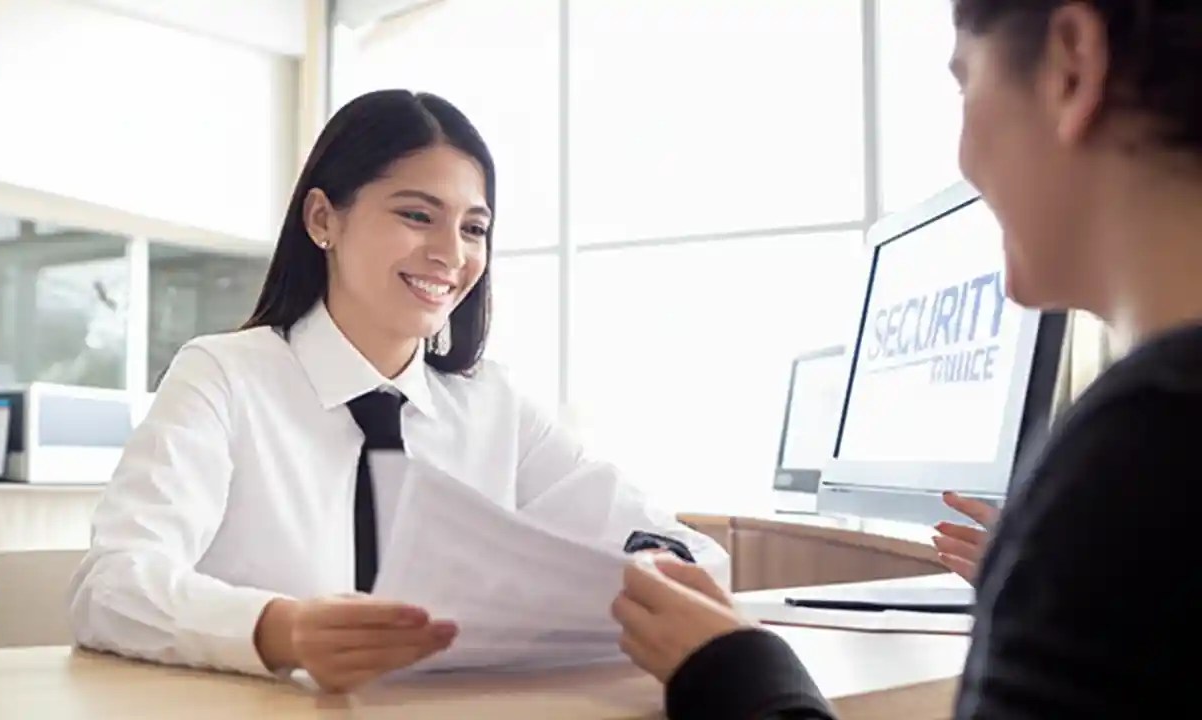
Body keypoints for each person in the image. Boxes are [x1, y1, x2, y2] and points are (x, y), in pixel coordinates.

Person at [611, 1, 1199, 717]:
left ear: (1072, 67)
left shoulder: (1143, 446)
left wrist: (730, 662)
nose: (962, 153)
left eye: (964, 83)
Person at [68, 89, 728, 694]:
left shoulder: (492, 404)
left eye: (474, 228)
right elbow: (112, 588)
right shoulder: (224, 377)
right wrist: (284, 629)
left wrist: (654, 567)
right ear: (324, 218)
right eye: (418, 215)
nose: (451, 253)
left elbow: (685, 549)